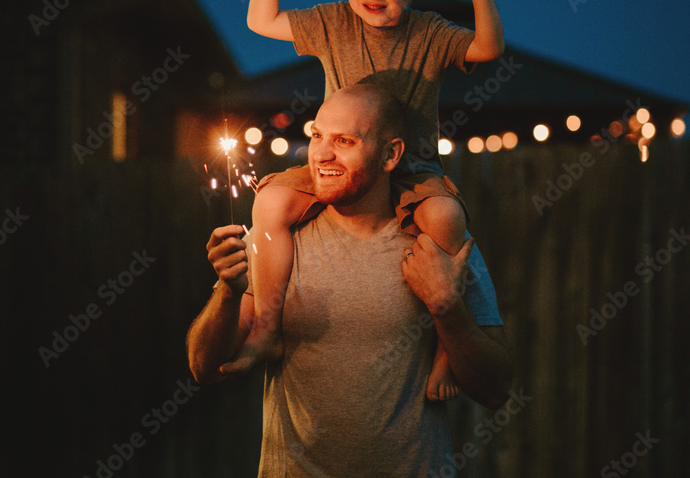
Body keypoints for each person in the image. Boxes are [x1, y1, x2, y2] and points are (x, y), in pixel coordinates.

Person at [231, 0, 505, 401]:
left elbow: (487, 47)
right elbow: (259, 21)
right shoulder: (334, 22)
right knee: (269, 205)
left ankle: (446, 350)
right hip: (340, 162)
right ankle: (268, 324)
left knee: (444, 216)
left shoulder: (430, 32)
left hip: (415, 167)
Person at [187, 85, 512, 477]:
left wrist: (448, 308)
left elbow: (496, 390)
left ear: (390, 155)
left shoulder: (440, 246)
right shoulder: (277, 240)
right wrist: (227, 291)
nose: (322, 154)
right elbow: (203, 367)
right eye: (316, 136)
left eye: (344, 140)